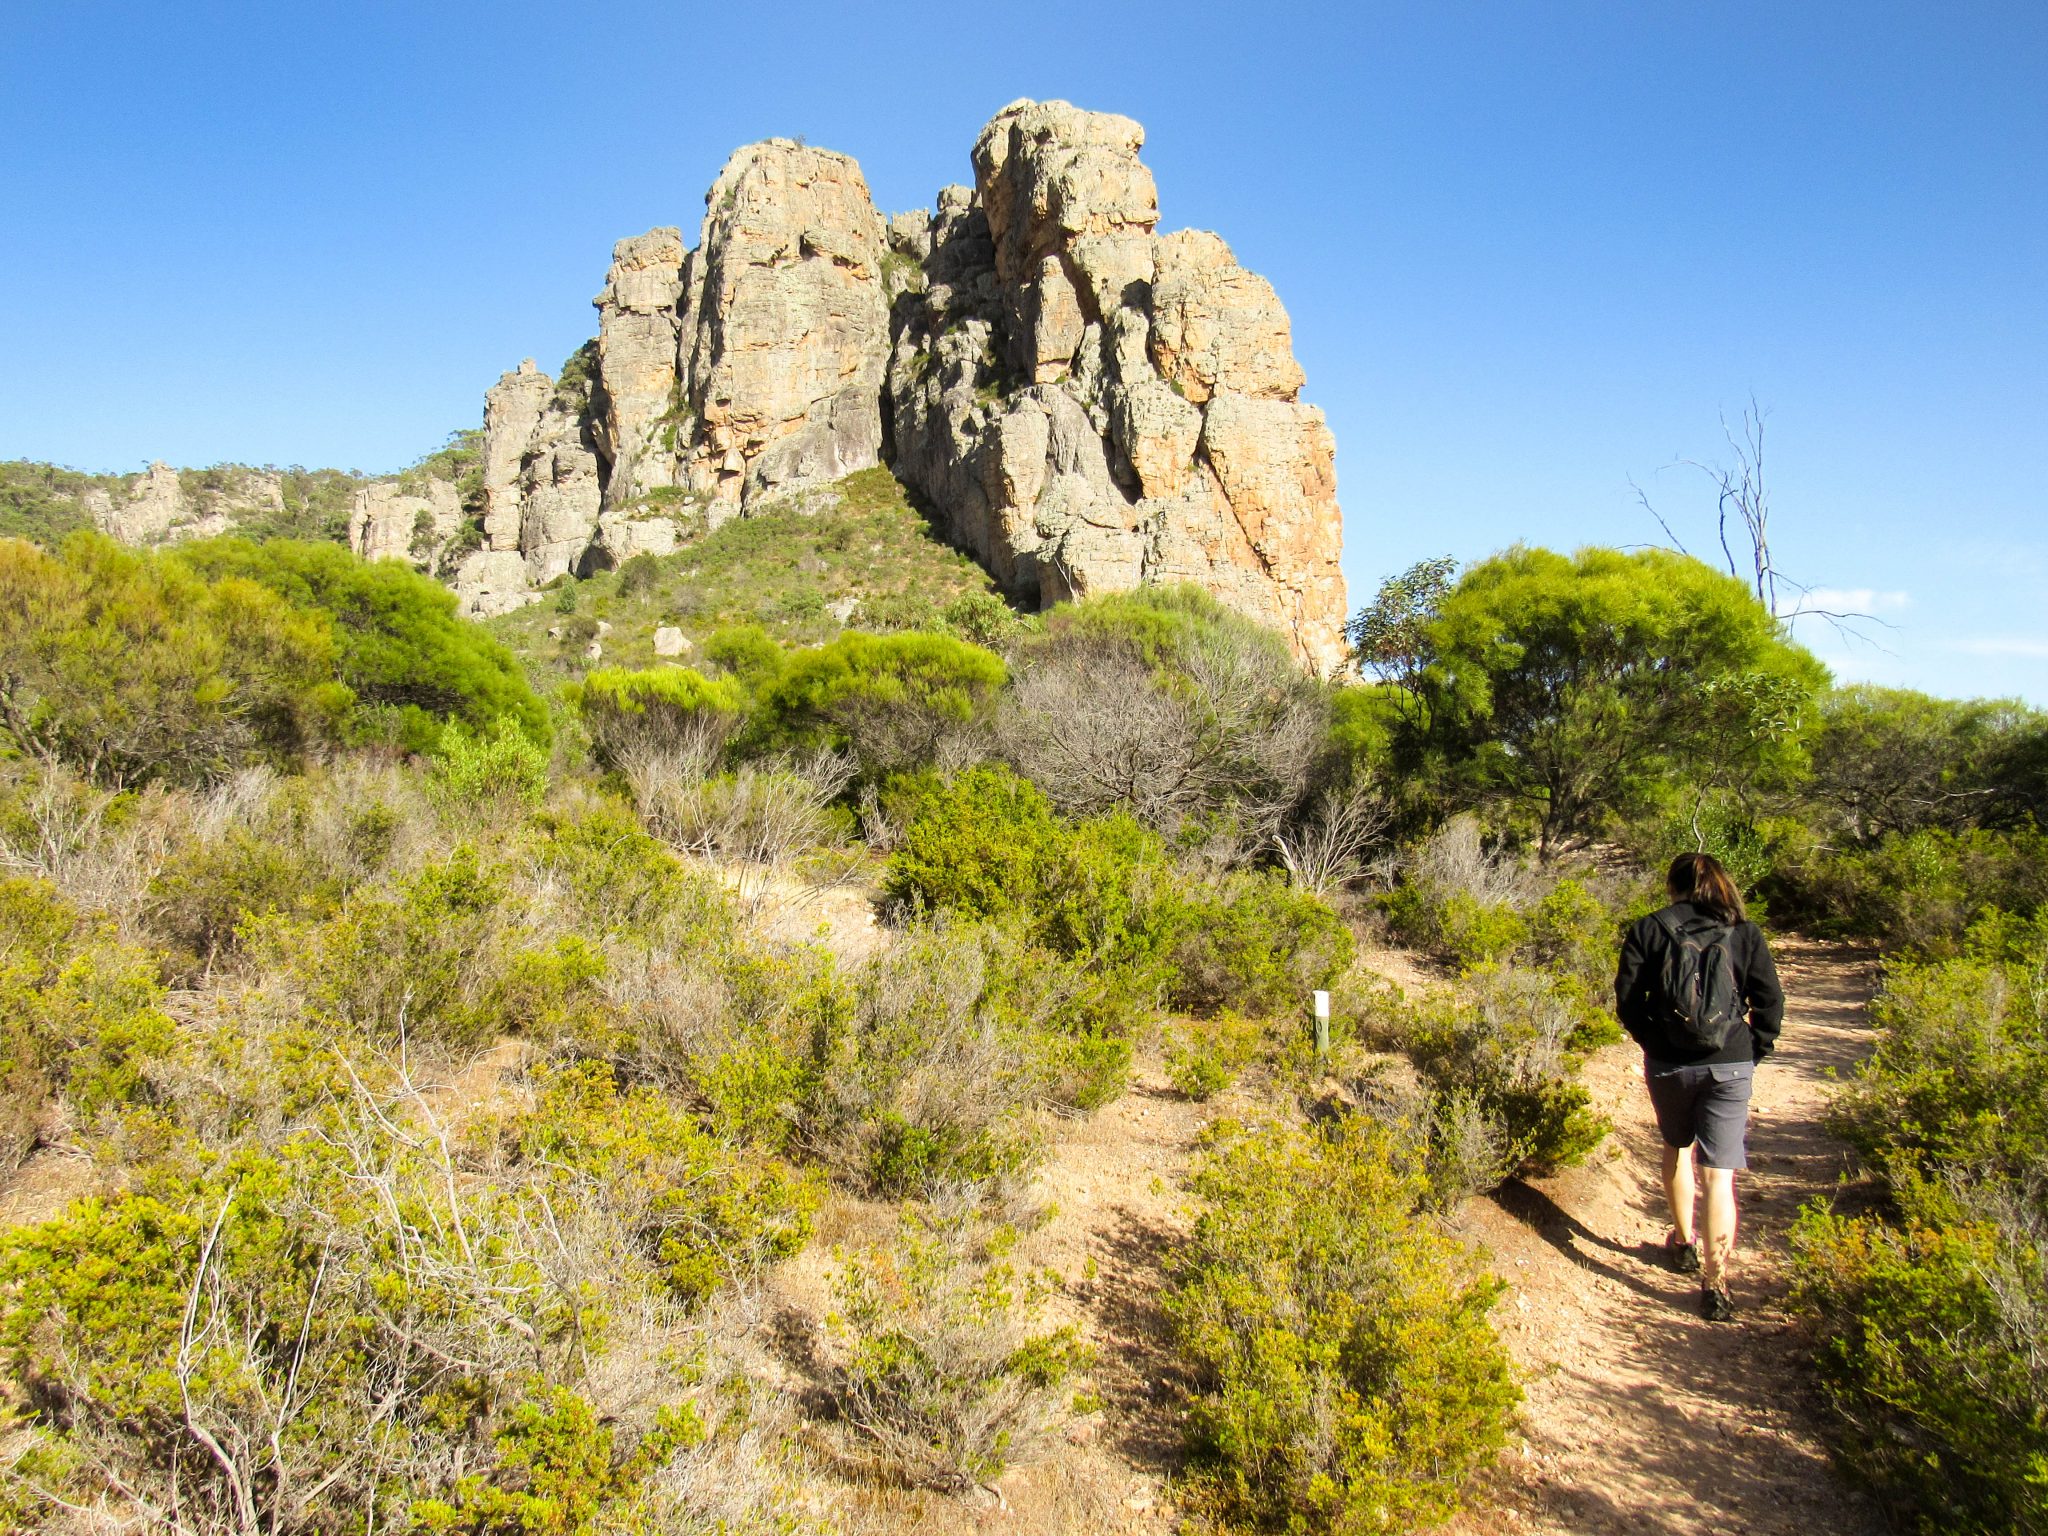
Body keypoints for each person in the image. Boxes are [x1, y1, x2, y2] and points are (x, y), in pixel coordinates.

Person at [1613, 852, 1783, 1322]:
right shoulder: (1744, 933)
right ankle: (1716, 1282)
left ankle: (1683, 1242)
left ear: (1673, 885)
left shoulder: (1649, 928)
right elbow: (1770, 1001)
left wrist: (1654, 1041)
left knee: (1676, 1146)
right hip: (1729, 1063)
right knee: (1719, 1176)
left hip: (1668, 1063)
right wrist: (1753, 1049)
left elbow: (1628, 1000)